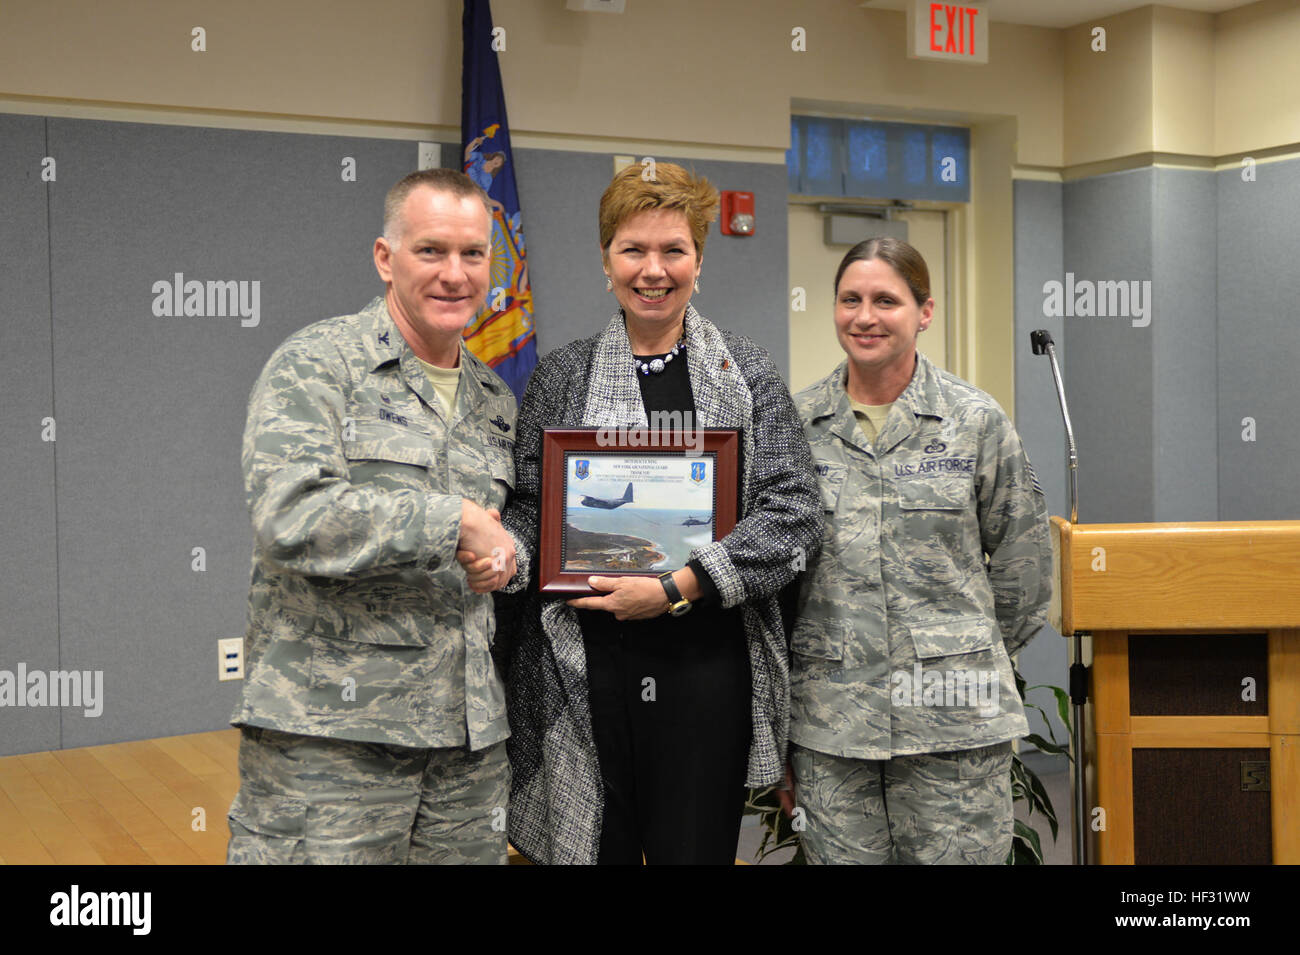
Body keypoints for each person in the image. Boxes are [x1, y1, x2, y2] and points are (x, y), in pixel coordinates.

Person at [499, 162, 822, 864]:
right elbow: (531, 506)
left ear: (699, 261)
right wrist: (503, 552)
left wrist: (679, 586)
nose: (654, 269)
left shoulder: (747, 371)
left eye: (673, 250)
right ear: (606, 260)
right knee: (595, 848)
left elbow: (794, 514)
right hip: (581, 662)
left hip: (705, 663)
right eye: (633, 249)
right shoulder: (562, 375)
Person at [226, 168, 520, 865]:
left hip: (466, 749)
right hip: (332, 741)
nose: (455, 274)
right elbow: (291, 515)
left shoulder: (495, 400)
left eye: (473, 253)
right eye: (431, 251)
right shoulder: (317, 365)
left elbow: (506, 535)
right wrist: (452, 521)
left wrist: (507, 555)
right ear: (386, 258)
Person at [781, 237, 1053, 864]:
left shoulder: (975, 421)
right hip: (833, 721)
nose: (865, 316)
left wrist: (953, 653)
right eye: (850, 299)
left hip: (954, 721)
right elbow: (777, 576)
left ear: (924, 312)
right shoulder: (798, 425)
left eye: (886, 300)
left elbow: (1023, 569)